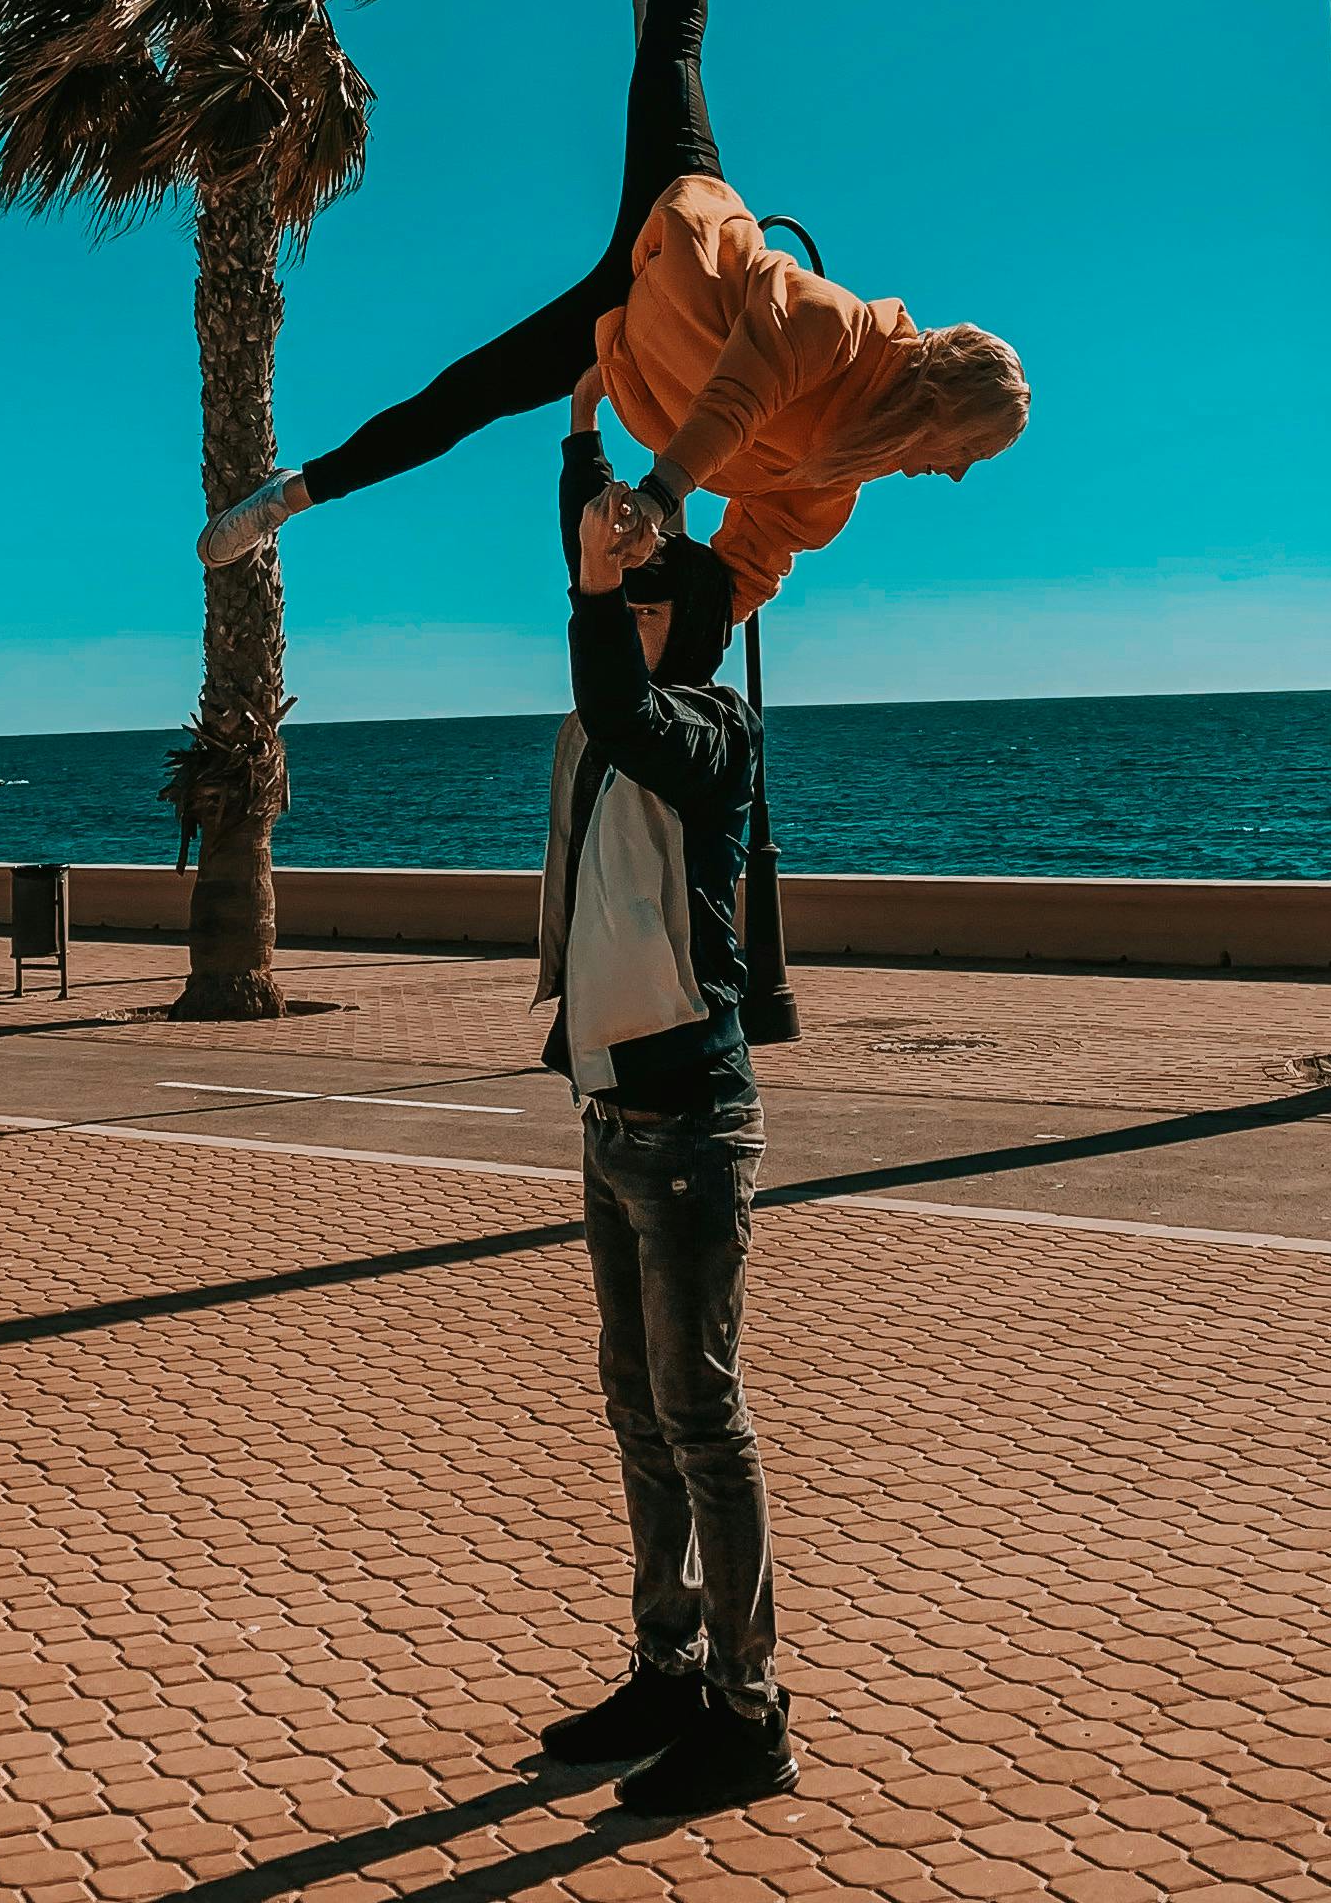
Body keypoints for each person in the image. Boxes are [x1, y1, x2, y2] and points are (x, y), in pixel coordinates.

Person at [197, 0, 1029, 604]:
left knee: (470, 394)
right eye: (974, 450)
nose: (958, 475)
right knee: (674, 45)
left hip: (626, 330)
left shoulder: (833, 485)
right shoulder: (837, 329)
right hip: (683, 242)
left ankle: (291, 494)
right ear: (947, 404)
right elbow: (740, 395)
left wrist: (673, 670)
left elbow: (751, 565)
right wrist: (665, 495)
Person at [536, 366, 792, 1811]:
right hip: (611, 1115)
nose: (603, 607)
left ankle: (751, 1716)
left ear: (667, 625)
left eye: (629, 596)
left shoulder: (704, 737)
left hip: (694, 1122)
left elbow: (620, 701)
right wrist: (581, 433)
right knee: (637, 1404)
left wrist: (599, 587)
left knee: (701, 1413)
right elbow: (586, 585)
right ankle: (667, 1664)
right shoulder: (614, 696)